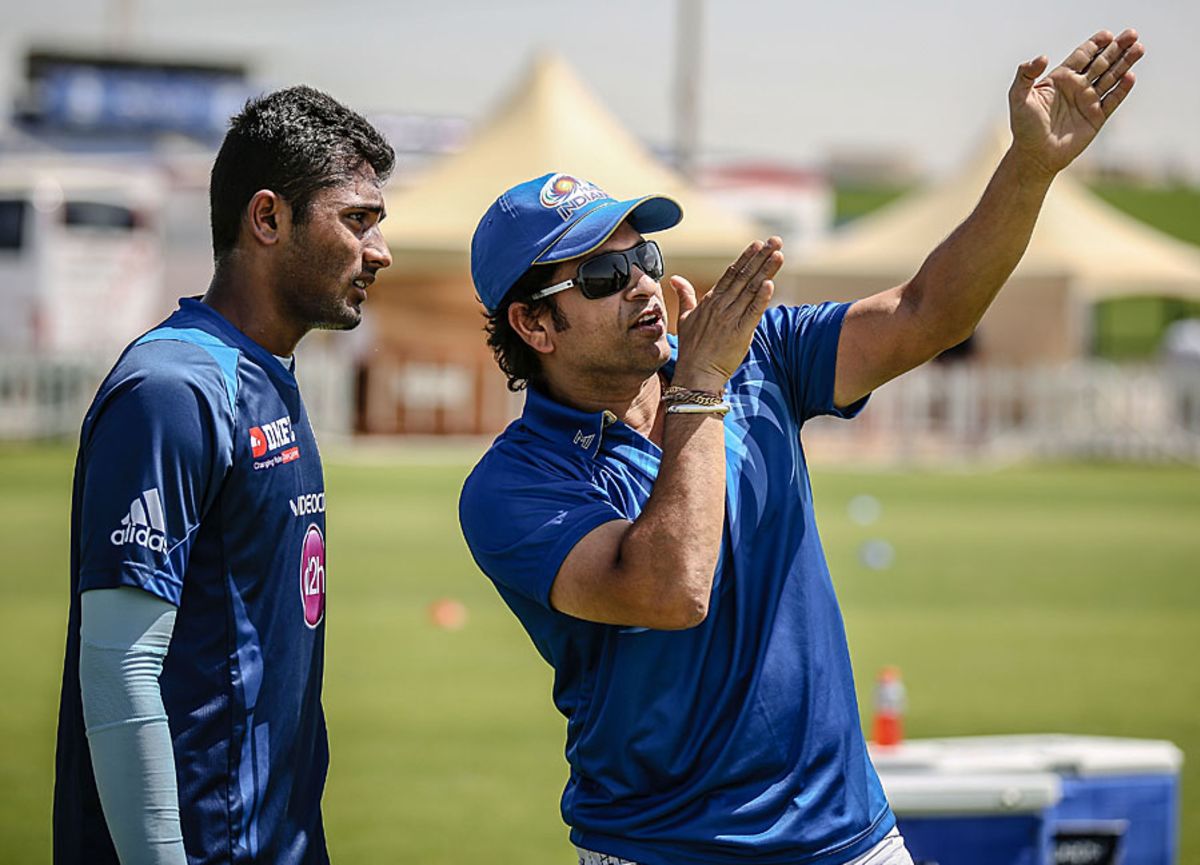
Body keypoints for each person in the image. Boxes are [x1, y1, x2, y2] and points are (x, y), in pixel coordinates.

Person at [459, 29, 1143, 865]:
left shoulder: (761, 355)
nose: (640, 283)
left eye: (642, 255)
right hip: (664, 849)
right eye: (602, 278)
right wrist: (699, 386)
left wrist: (1030, 169)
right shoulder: (513, 485)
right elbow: (672, 589)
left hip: (852, 838)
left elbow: (930, 312)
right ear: (534, 325)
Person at [53, 86, 394, 865]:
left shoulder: (265, 375)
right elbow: (118, 668)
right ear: (267, 218)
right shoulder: (173, 389)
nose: (379, 252)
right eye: (357, 219)